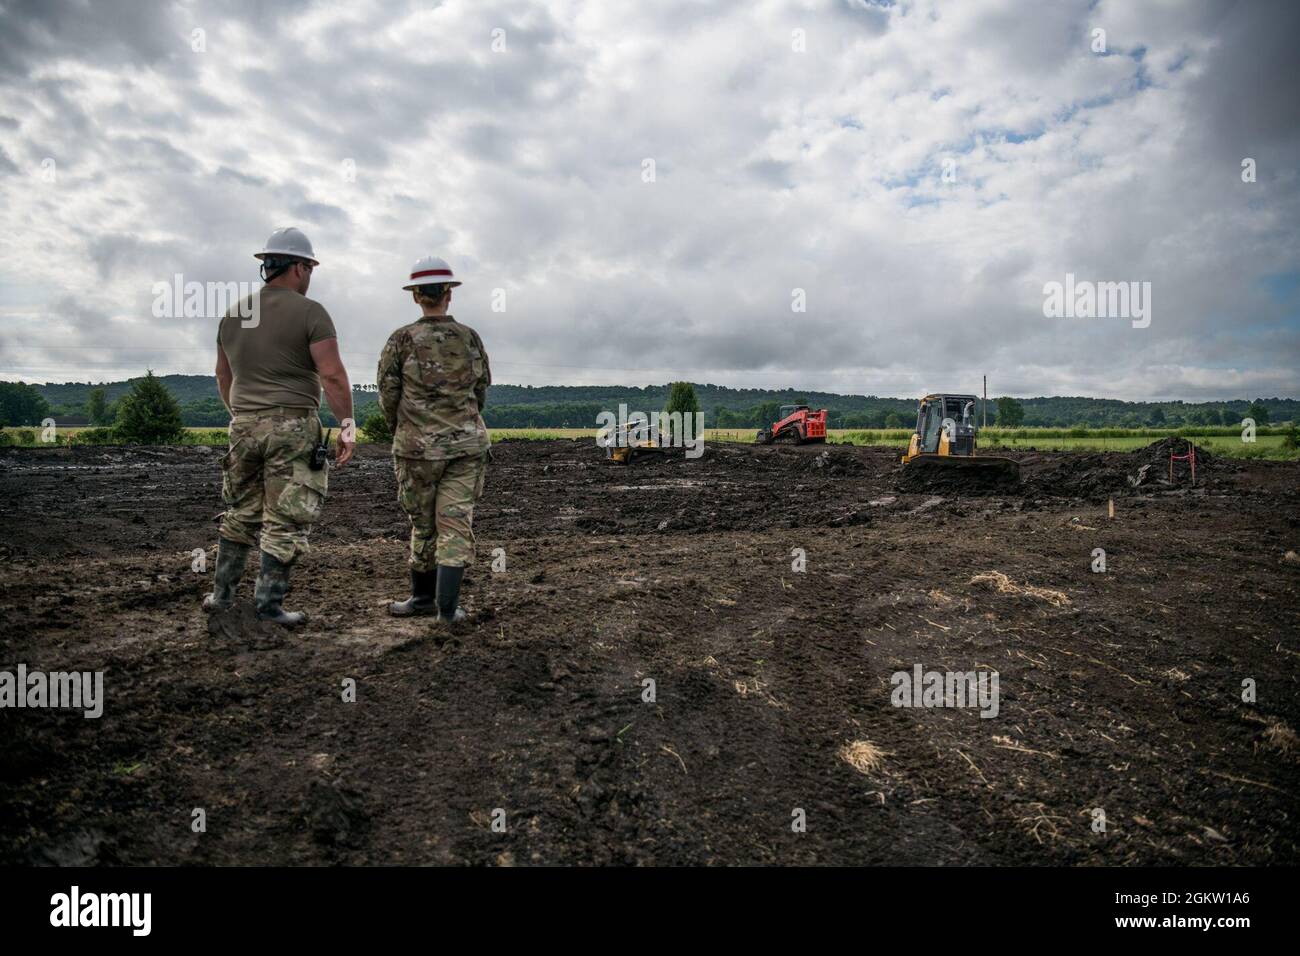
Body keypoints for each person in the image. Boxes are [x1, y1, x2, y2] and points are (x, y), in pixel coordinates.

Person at [203, 226, 355, 624]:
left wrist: (241, 416)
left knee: (240, 512)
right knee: (285, 516)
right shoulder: (311, 313)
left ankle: (221, 597)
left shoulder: (233, 314)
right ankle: (268, 606)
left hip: (243, 427)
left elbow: (223, 376)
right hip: (292, 426)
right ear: (300, 268)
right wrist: (347, 423)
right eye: (310, 268)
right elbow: (332, 376)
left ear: (266, 266)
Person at [377, 255, 490, 622]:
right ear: (449, 294)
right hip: (466, 446)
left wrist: (403, 428)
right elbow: (481, 388)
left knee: (423, 525)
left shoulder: (401, 339)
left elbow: (387, 394)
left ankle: (422, 598)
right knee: (455, 523)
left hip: (416, 450)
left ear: (415, 296)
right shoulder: (470, 337)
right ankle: (446, 610)